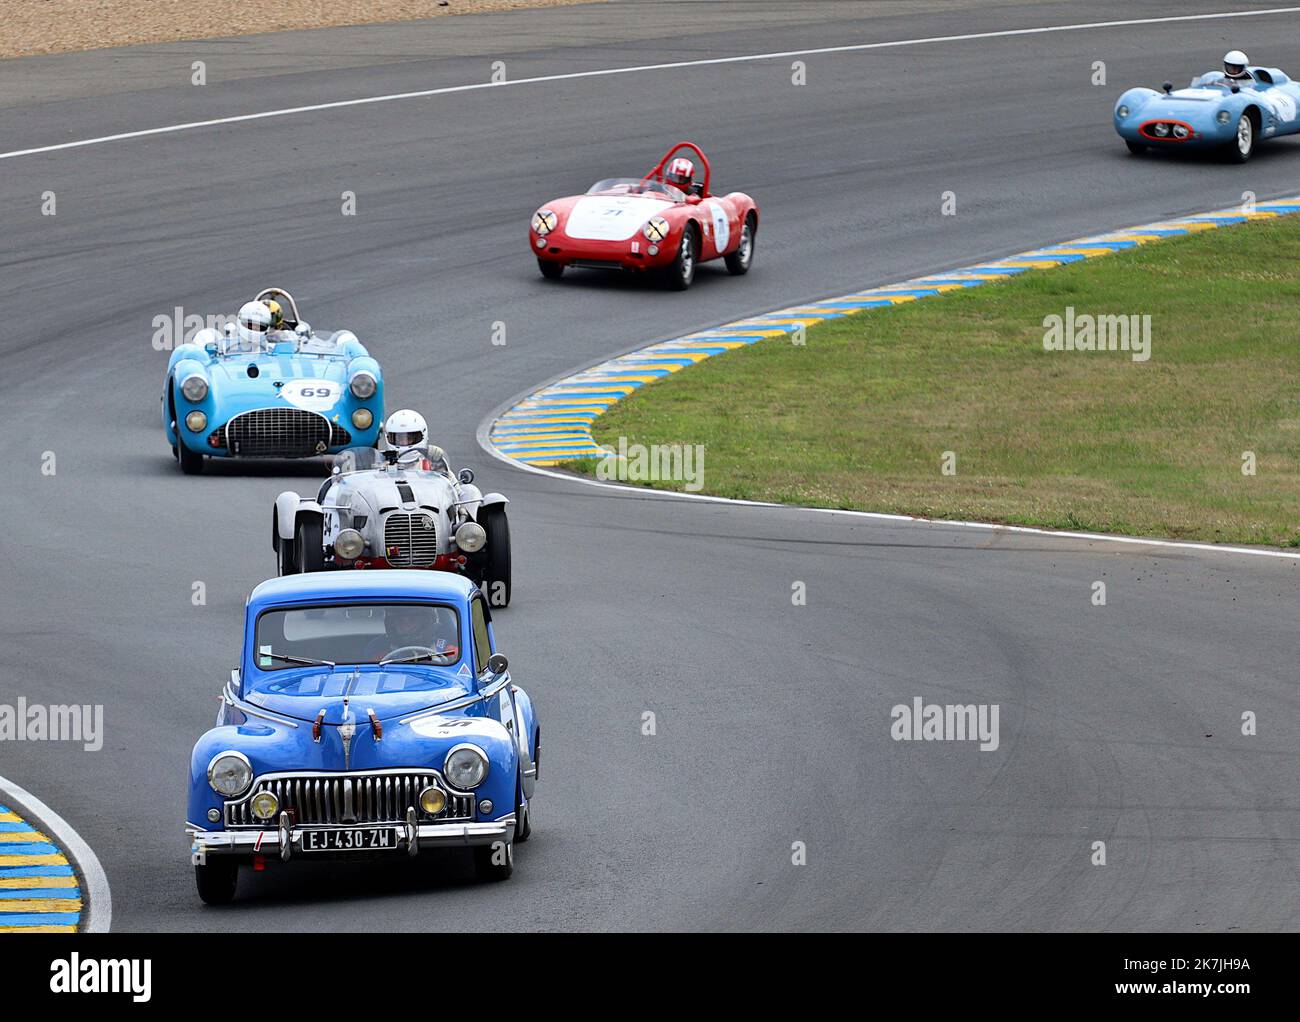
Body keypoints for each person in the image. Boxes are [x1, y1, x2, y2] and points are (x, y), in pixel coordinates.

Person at [363, 605, 458, 662]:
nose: (405, 625)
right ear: (391, 623)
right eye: (399, 620)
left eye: (412, 620)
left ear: (425, 621)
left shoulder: (447, 650)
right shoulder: (381, 653)